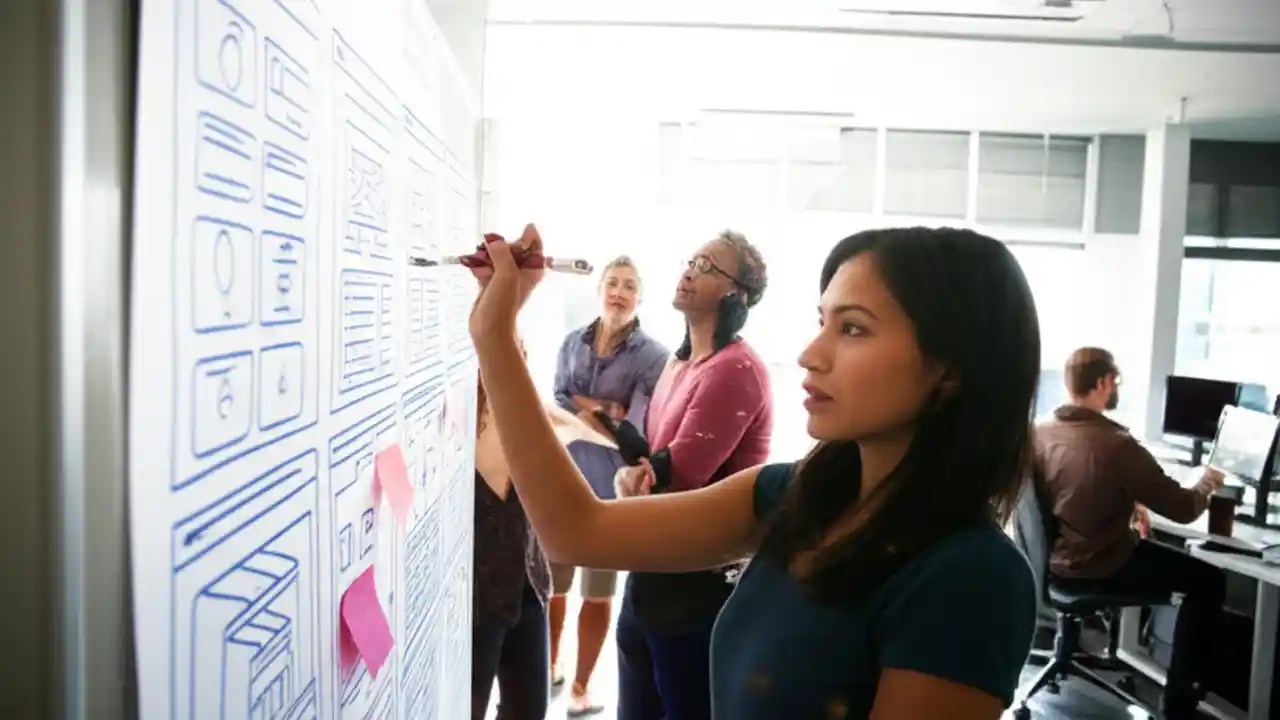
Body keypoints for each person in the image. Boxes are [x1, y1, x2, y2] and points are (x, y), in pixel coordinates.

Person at [468, 224, 1040, 719]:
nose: (812, 354)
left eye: (854, 329)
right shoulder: (791, 495)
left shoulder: (971, 577)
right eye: (823, 321)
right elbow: (575, 530)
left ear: (950, 369)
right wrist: (497, 333)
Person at [604, 230, 772, 720]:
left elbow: (678, 476)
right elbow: (650, 466)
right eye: (691, 260)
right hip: (655, 567)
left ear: (736, 296)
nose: (690, 270)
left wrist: (636, 479)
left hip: (700, 587)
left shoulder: (737, 368)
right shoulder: (680, 364)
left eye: (708, 266)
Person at [1033, 347, 1226, 719]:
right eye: (1116, 380)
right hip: (1097, 565)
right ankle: (1180, 705)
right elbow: (1184, 510)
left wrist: (1131, 501)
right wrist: (1206, 483)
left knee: (1162, 558)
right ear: (1104, 382)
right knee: (1209, 582)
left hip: (1055, 562)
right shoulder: (1117, 445)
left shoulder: (1042, 431)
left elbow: (1070, 489)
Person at [549, 255, 669, 715]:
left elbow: (632, 429)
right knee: (554, 587)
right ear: (599, 288)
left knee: (597, 595)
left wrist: (586, 409)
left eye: (630, 286)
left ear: (640, 298)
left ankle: (580, 688)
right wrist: (606, 409)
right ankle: (551, 666)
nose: (619, 292)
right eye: (613, 283)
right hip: (563, 482)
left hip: (612, 495)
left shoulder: (652, 356)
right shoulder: (568, 344)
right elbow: (556, 400)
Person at [472, 370, 553, 720]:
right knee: (467, 706)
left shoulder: (524, 410)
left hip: (527, 581)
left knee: (529, 706)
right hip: (475, 596)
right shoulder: (451, 415)